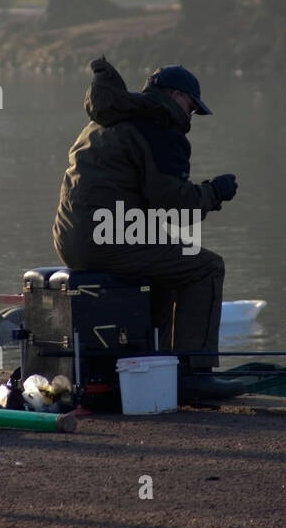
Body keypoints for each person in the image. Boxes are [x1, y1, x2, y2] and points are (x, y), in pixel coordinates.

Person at [52, 57, 243, 400]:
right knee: (205, 267)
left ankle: (157, 364)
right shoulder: (158, 128)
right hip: (106, 239)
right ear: (174, 95)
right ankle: (192, 374)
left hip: (70, 238)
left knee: (170, 261)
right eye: (191, 106)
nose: (191, 116)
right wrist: (214, 192)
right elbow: (175, 206)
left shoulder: (104, 121)